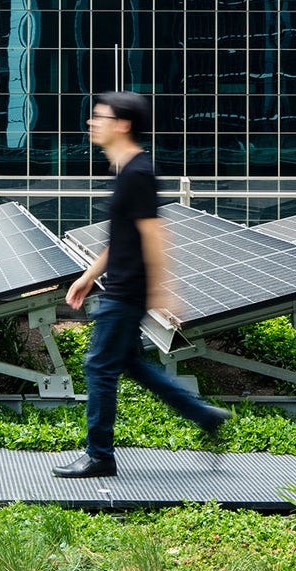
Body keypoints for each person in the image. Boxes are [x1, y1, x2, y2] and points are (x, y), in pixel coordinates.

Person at [53, 91, 230, 479]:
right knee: (128, 363)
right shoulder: (125, 170)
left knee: (99, 366)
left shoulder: (137, 173)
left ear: (123, 124)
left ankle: (99, 456)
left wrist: (164, 294)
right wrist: (88, 276)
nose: (91, 122)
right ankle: (204, 415)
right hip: (120, 284)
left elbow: (155, 235)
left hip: (127, 291)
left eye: (100, 117)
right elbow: (122, 236)